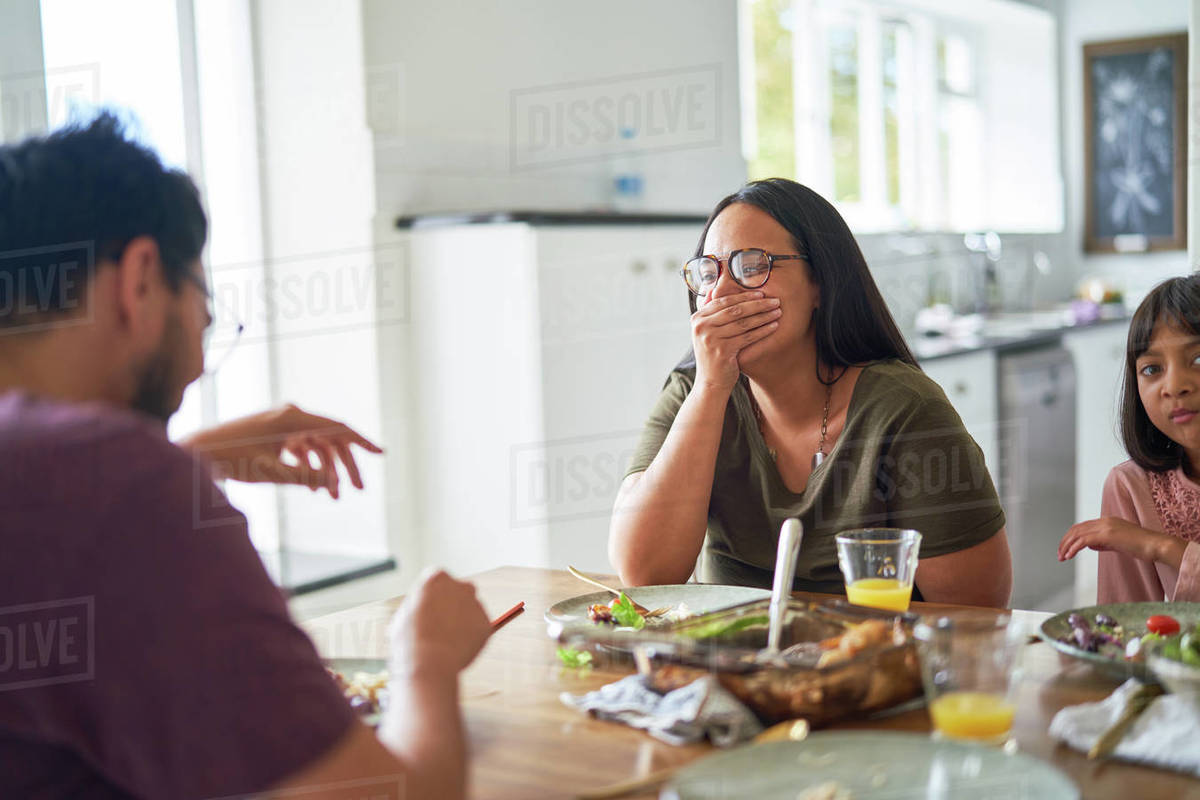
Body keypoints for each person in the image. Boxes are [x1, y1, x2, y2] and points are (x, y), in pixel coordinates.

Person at [0, 114, 491, 799]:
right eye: (204, 306)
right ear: (141, 279)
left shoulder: (58, 476)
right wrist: (426, 661)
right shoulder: (116, 484)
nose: (199, 365)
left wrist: (189, 458)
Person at [609, 179, 1012, 606]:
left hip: (865, 662)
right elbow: (644, 574)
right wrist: (710, 388)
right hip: (727, 659)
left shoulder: (905, 409)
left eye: (752, 266)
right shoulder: (693, 390)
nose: (720, 294)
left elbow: (977, 613)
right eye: (709, 273)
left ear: (820, 282)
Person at [1058, 275, 1200, 603]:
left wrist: (1157, 545)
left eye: (1197, 360)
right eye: (1152, 369)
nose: (1174, 386)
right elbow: (1123, 632)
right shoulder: (1130, 486)